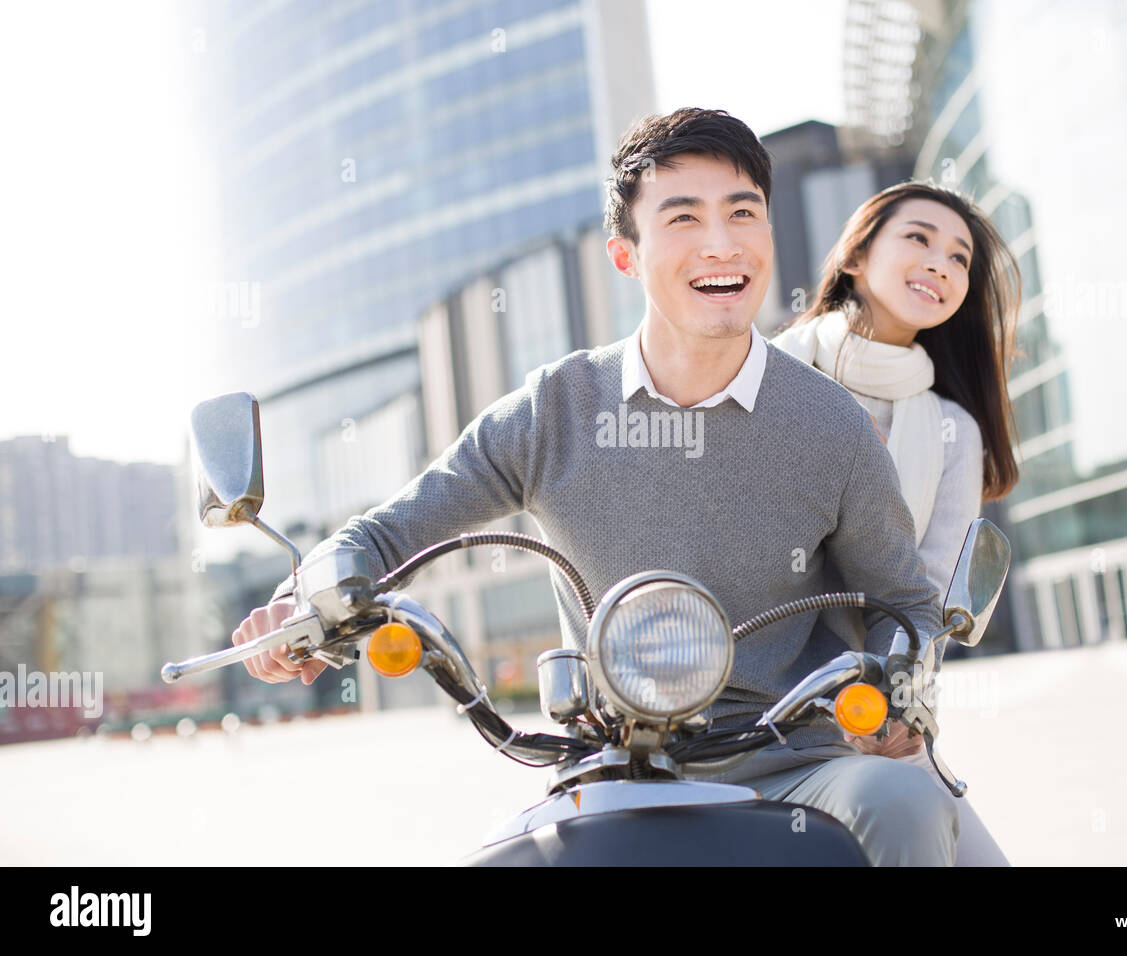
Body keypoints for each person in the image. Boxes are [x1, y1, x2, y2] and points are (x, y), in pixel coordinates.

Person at [231, 108, 959, 865]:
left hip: (791, 765)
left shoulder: (831, 426)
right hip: (609, 769)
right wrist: (306, 601)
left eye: (743, 212)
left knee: (904, 802)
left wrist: (899, 685)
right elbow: (383, 534)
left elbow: (902, 603)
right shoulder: (557, 408)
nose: (722, 243)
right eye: (683, 218)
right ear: (625, 257)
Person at [769, 180, 1022, 865]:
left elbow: (932, 590)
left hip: (867, 706)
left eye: (960, 258)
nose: (941, 263)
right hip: (736, 704)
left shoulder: (951, 430)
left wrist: (894, 697)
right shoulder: (761, 376)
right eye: (918, 238)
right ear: (855, 254)